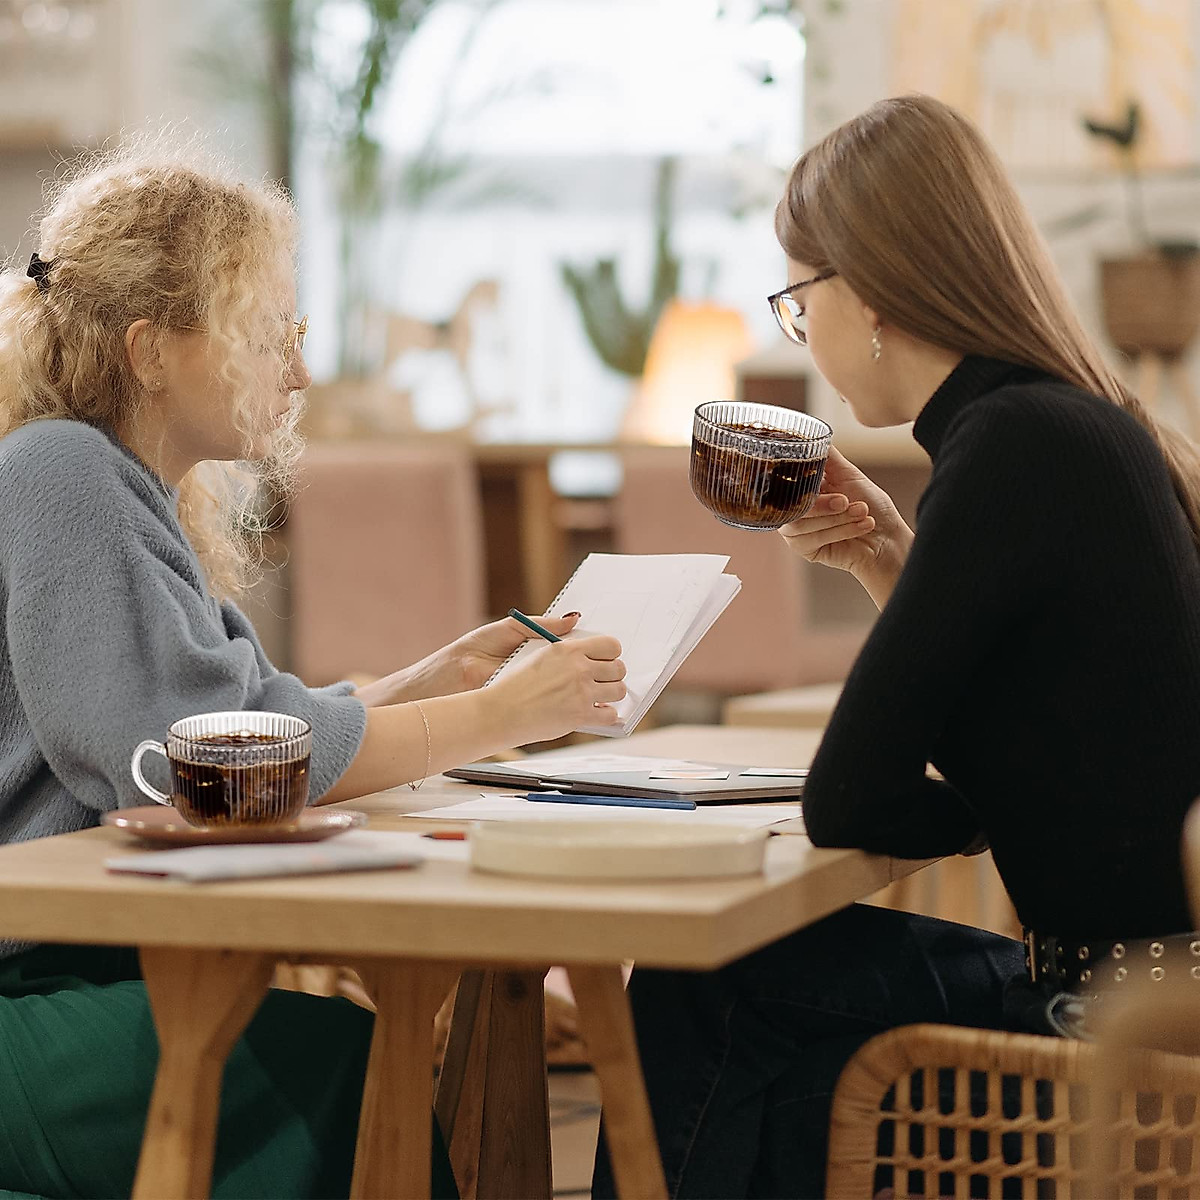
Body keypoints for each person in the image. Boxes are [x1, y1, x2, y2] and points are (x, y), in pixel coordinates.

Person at [593, 93, 1200, 1199]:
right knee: (741, 1001)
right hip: (1143, 991)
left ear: (864, 293)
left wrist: (972, 821)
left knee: (700, 988)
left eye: (796, 297)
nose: (800, 329)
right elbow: (1045, 737)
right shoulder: (1072, 424)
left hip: (1114, 1033)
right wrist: (889, 559)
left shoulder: (1011, 445)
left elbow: (850, 798)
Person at [0, 140, 626, 1199]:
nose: (295, 370)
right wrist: (491, 714)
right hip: (32, 1004)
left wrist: (419, 685)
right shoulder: (61, 473)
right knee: (348, 1066)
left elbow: (234, 717)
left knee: (347, 1053)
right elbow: (194, 767)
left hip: (86, 968)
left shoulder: (109, 482)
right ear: (152, 351)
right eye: (264, 336)